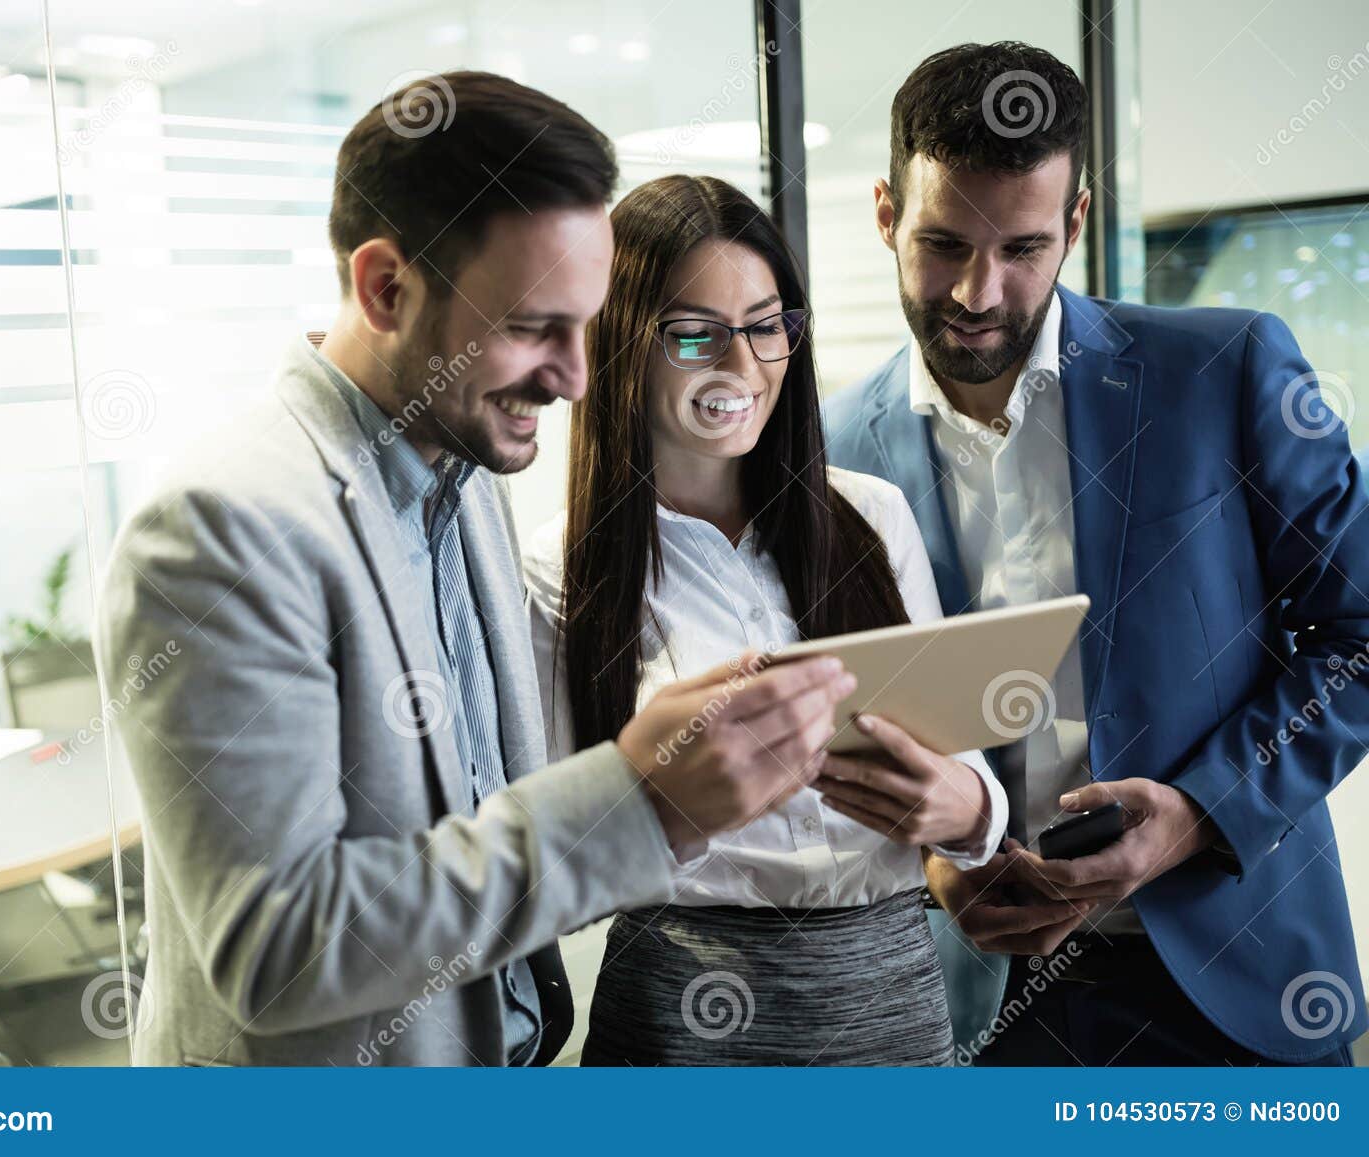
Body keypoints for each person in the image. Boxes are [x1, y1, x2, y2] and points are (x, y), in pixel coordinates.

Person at [96, 72, 854, 1067]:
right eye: (535, 326)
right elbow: (278, 950)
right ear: (384, 287)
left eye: (585, 327)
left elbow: (480, 829)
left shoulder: (464, 477)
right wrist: (638, 799)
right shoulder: (221, 528)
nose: (577, 378)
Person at [824, 41, 1369, 1065]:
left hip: (1234, 982)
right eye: (943, 243)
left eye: (1021, 249)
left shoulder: (1222, 369)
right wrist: (936, 856)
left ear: (1073, 225)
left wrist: (1199, 812)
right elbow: (834, 721)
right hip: (970, 1001)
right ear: (885, 214)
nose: (978, 294)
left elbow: (1360, 634)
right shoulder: (824, 451)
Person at [524, 175, 1007, 1065]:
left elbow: (967, 782)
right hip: (684, 1017)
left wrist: (966, 805)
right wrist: (673, 794)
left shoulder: (871, 516)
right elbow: (557, 871)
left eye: (766, 324)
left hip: (892, 1001)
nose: (743, 369)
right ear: (623, 341)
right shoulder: (557, 571)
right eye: (695, 333)